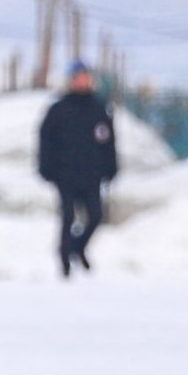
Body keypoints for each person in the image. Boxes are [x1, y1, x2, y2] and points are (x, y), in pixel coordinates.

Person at [35, 62, 118, 277]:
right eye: (79, 77)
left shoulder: (99, 109)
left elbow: (108, 142)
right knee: (68, 217)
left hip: (91, 175)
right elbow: (45, 140)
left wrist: (111, 167)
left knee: (95, 216)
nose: (83, 81)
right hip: (65, 175)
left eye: (86, 77)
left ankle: (77, 247)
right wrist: (46, 167)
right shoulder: (59, 110)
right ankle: (64, 262)